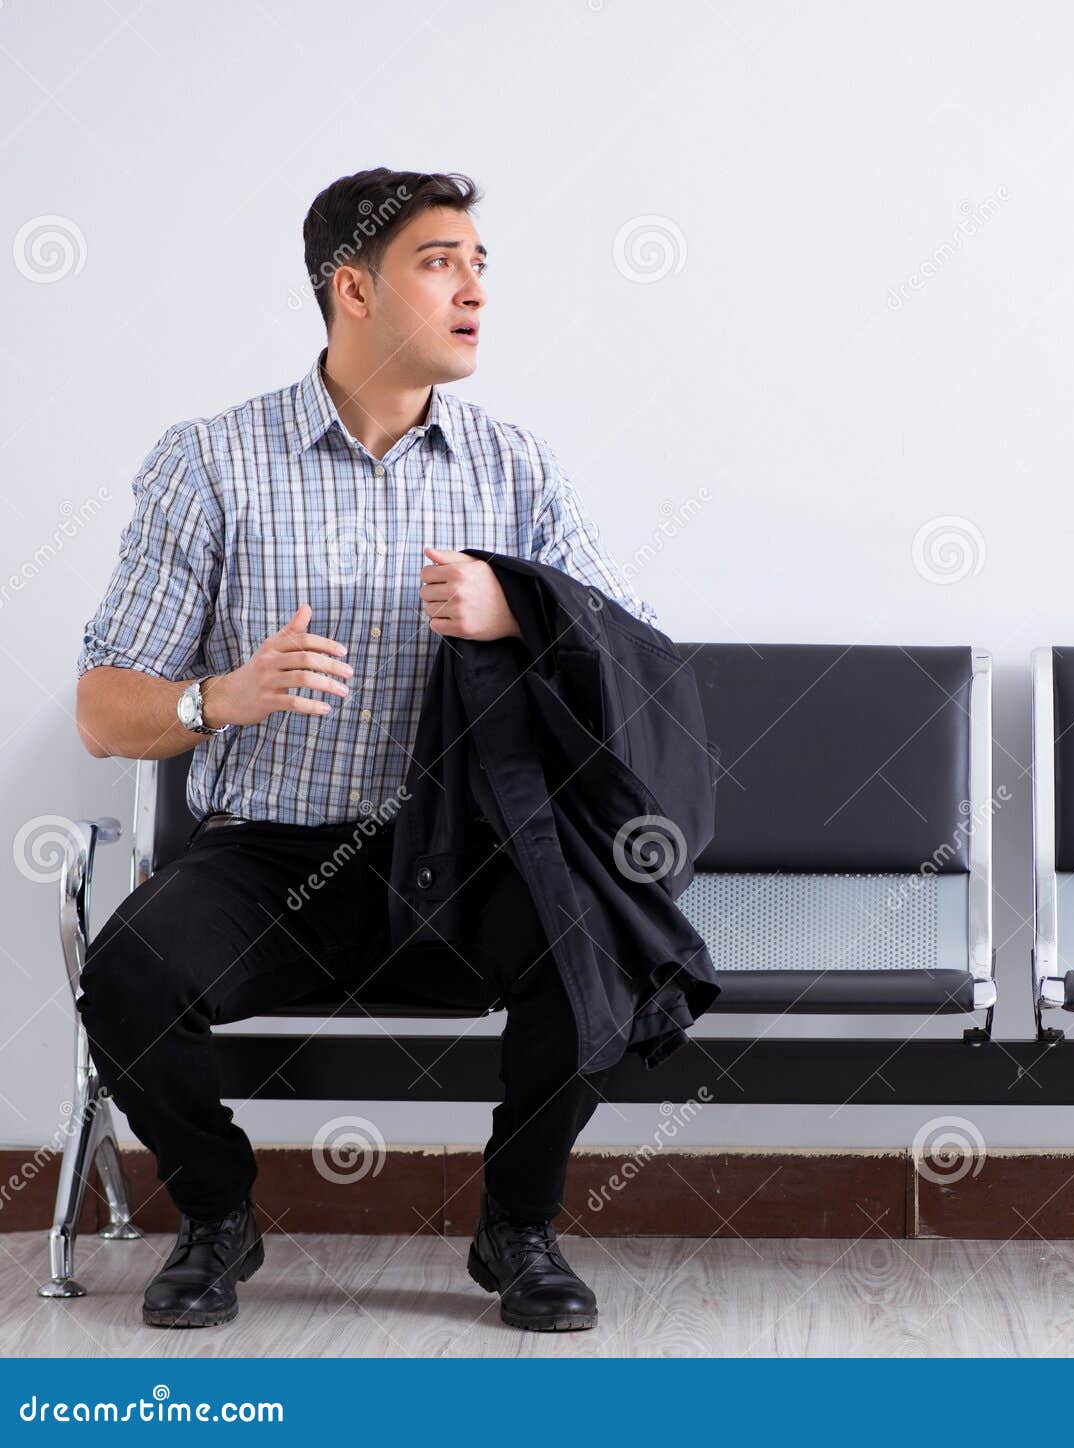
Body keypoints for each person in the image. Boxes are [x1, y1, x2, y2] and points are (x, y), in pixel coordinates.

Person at [72, 167, 657, 1333]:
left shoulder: (517, 467)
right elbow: (102, 706)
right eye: (441, 260)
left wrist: (517, 609)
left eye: (481, 264)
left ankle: (517, 1225)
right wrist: (217, 699)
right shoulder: (210, 462)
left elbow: (628, 663)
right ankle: (216, 1212)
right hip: (270, 858)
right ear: (352, 287)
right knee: (126, 970)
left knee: (599, 944)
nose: (474, 287)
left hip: (467, 854)